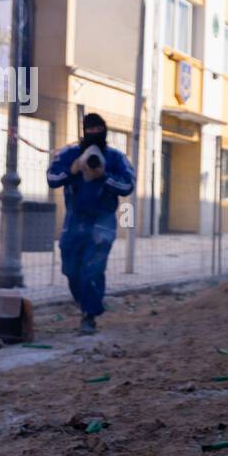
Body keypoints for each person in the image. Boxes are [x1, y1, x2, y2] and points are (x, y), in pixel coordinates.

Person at [46, 114, 135, 335]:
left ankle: (89, 315)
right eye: (90, 128)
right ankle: (85, 302)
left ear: (105, 130)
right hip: (74, 220)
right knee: (70, 269)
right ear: (84, 131)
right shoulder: (70, 154)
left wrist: (104, 176)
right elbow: (51, 178)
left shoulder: (116, 157)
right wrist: (73, 169)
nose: (95, 133)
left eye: (99, 128)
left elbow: (127, 185)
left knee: (93, 269)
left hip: (102, 221)